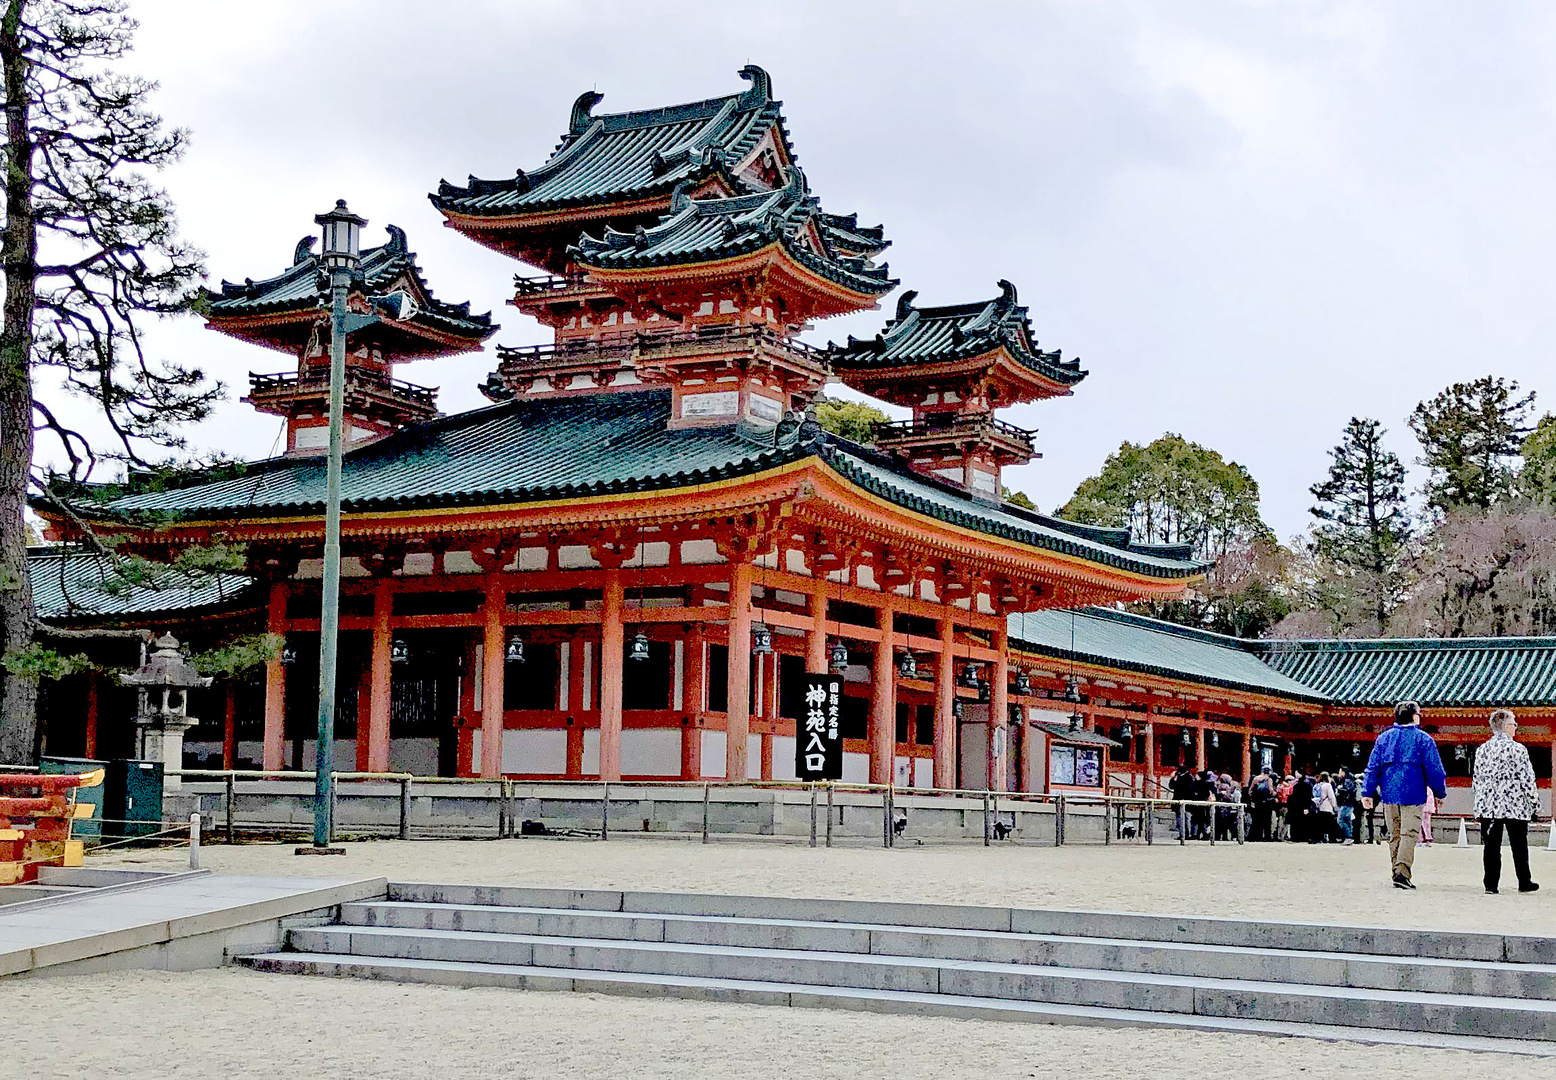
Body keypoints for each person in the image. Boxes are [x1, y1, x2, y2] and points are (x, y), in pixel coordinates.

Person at [1361, 700, 1448, 889]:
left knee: (1395, 834)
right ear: (1415, 716)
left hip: (1389, 793)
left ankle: (1396, 870)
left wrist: (1367, 791)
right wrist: (1439, 792)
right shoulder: (1424, 739)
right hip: (1413, 793)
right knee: (1409, 833)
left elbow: (1372, 767)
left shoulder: (1383, 738)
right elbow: (1434, 769)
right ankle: (1402, 872)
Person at [1473, 709, 1540, 895]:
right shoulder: (1518, 749)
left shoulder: (1482, 750)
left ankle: (1490, 884)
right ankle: (1524, 881)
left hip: (1489, 805)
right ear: (1505, 726)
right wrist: (1534, 802)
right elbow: (1527, 779)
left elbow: (1476, 779)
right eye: (1513, 724)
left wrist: (1478, 804)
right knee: (1519, 844)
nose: (1516, 727)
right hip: (1515, 804)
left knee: (1491, 846)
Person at [1248, 768, 1276, 842]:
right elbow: (1271, 790)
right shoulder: (1268, 779)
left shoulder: (1255, 778)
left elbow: (1250, 791)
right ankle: (1267, 837)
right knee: (1267, 820)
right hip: (1266, 803)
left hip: (1257, 803)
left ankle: (1256, 836)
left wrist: (1253, 799)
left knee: (1257, 820)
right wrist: (1275, 793)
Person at [1311, 771, 1339, 844]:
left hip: (1318, 806)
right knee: (1330, 824)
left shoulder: (1316, 785)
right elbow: (1331, 797)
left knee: (1320, 824)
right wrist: (1334, 806)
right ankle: (1332, 838)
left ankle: (1319, 838)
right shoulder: (1328, 785)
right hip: (1327, 806)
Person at [1335, 767, 1359, 844]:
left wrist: (1340, 789)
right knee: (1348, 820)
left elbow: (1348, 791)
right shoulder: (1349, 780)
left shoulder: (1347, 781)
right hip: (1349, 803)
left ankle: (1348, 836)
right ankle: (1349, 837)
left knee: (1341, 820)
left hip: (1346, 803)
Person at [1289, 770, 1314, 844]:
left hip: (1299, 805)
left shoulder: (1301, 786)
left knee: (1299, 821)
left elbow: (1307, 797)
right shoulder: (1306, 785)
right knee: (1302, 821)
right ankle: (1302, 836)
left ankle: (1297, 837)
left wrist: (1306, 806)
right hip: (1301, 805)